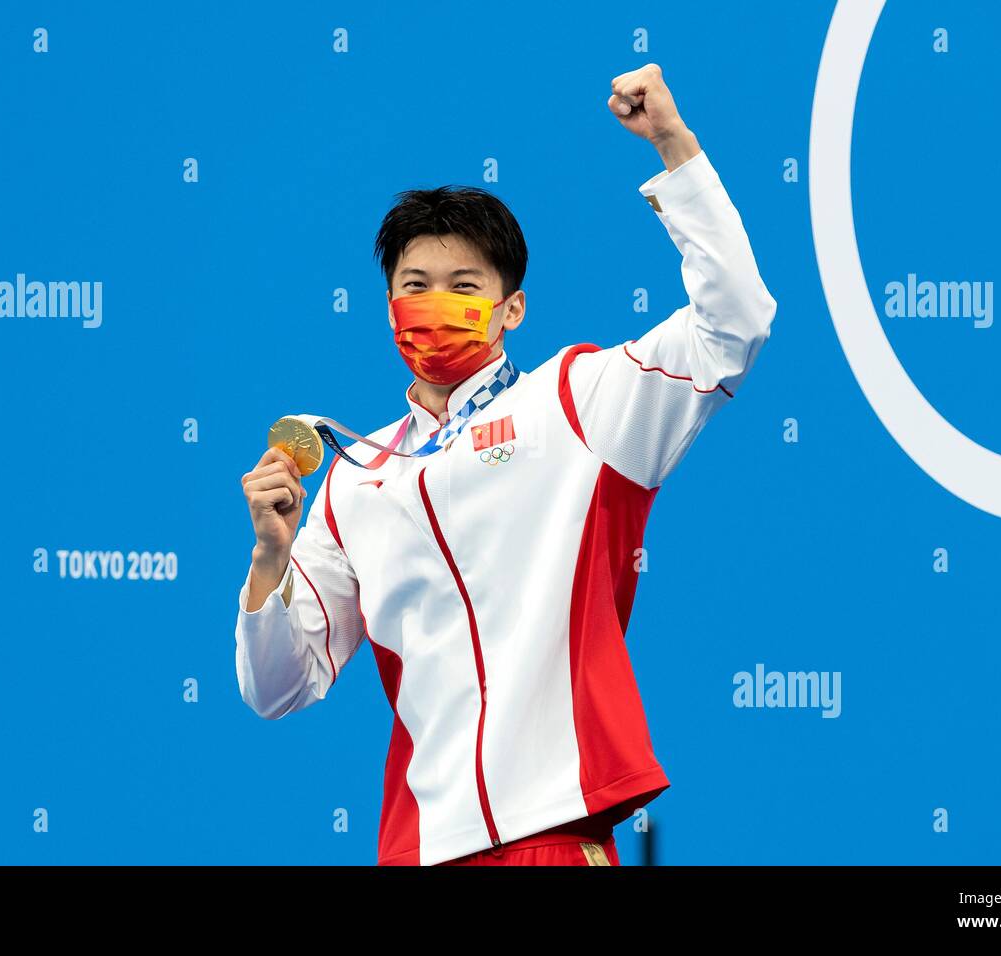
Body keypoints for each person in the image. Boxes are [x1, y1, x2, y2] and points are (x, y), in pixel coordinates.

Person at [235, 63, 777, 866]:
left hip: (555, 831)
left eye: (464, 285)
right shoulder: (355, 476)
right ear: (389, 307)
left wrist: (674, 145)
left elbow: (736, 321)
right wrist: (270, 557)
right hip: (420, 847)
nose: (434, 303)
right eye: (414, 286)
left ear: (510, 307)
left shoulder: (576, 402)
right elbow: (277, 689)